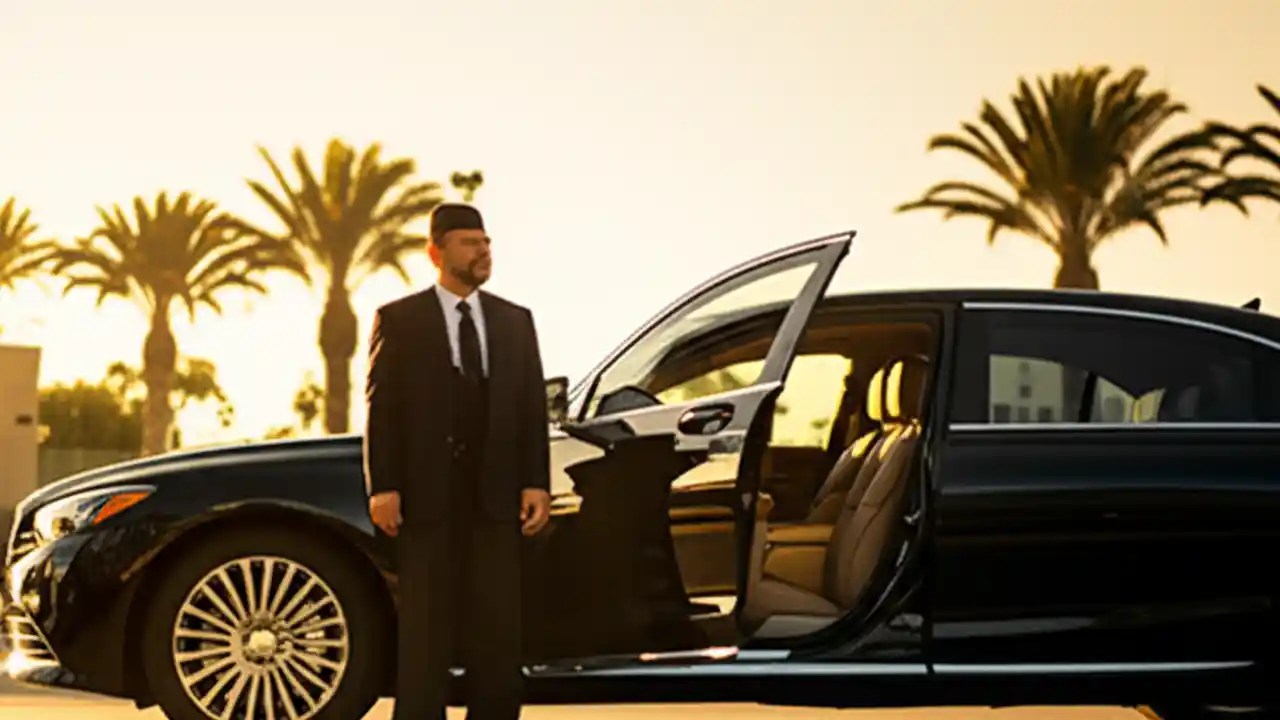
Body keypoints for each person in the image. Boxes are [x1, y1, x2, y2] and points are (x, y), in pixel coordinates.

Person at [363, 202, 552, 720]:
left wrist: (537, 482)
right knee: (425, 634)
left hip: (496, 503)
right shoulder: (399, 320)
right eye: (470, 242)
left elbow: (531, 408)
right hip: (426, 502)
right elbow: (382, 410)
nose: (483, 251)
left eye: (486, 241)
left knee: (497, 634)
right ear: (436, 252)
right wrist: (384, 486)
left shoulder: (516, 322)